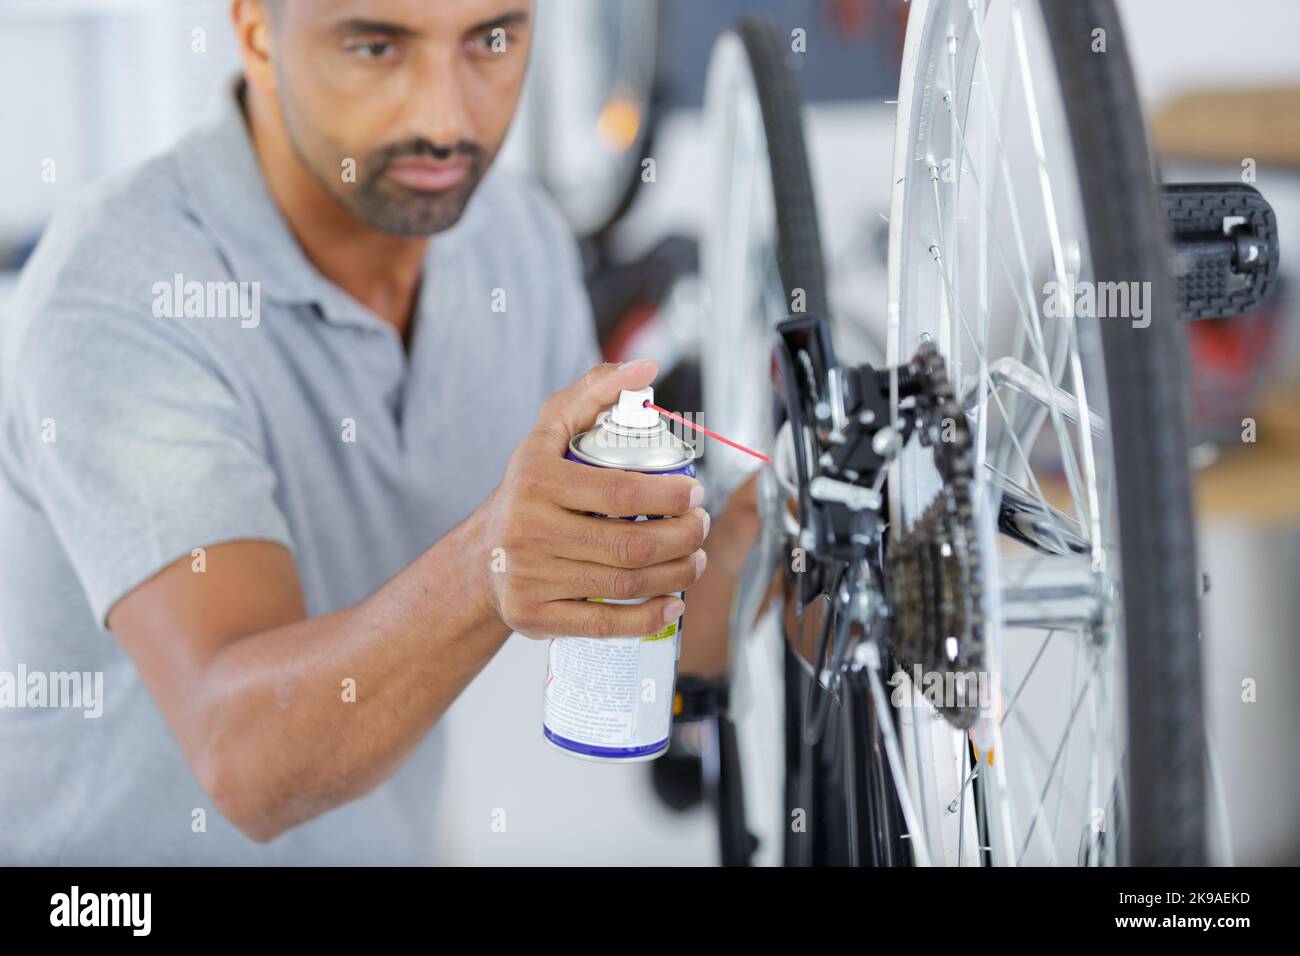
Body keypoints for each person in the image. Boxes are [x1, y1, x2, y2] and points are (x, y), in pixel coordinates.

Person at [0, 0, 759, 864]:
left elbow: (627, 606)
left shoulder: (513, 239)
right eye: (375, 45)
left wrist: (758, 551)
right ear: (256, 32)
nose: (445, 117)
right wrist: (487, 564)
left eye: (492, 39)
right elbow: (244, 758)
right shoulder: (123, 289)